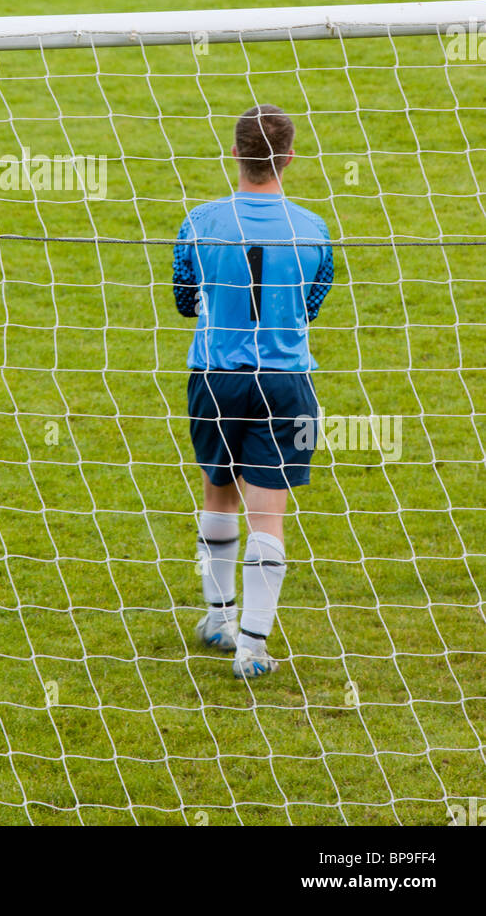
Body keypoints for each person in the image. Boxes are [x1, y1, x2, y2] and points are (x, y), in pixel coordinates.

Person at [173, 104, 334, 680]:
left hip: (217, 378)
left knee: (219, 493)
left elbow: (186, 301)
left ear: (235, 153)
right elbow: (313, 307)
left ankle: (218, 617)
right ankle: (252, 648)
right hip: (288, 385)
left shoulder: (200, 221)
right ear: (289, 157)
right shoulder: (313, 229)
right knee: (271, 514)